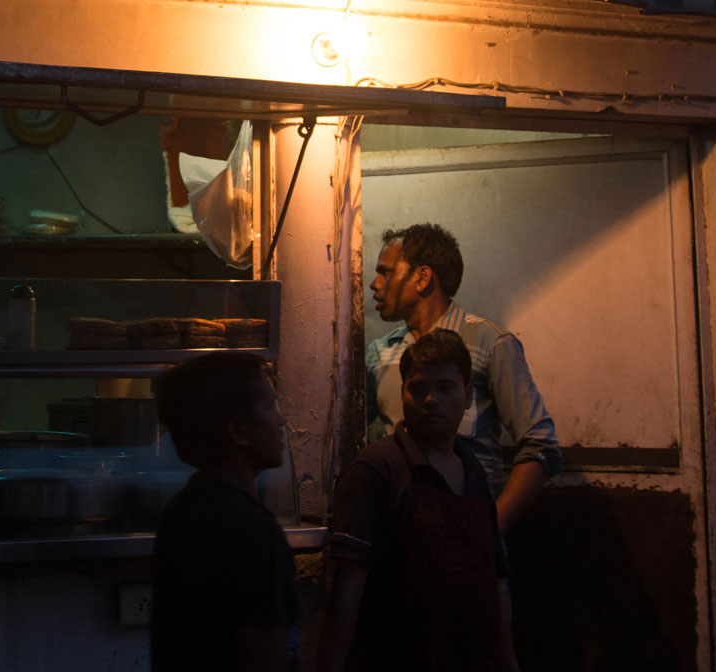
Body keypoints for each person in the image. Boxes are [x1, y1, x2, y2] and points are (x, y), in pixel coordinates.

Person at [318, 329, 519, 672]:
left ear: (468, 395)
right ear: (403, 393)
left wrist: (508, 662)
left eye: (445, 389)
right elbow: (347, 587)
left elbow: (496, 580)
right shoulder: (375, 471)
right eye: (418, 388)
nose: (430, 400)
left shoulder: (475, 475)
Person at [364, 224, 559, 531]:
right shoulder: (379, 353)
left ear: (422, 277)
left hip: (468, 531)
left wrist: (490, 528)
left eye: (385, 272)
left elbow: (542, 446)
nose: (374, 284)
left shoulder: (489, 343)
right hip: (399, 535)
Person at [150, 351, 299, 672]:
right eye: (270, 405)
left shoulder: (183, 511)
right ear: (239, 431)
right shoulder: (253, 531)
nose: (281, 419)